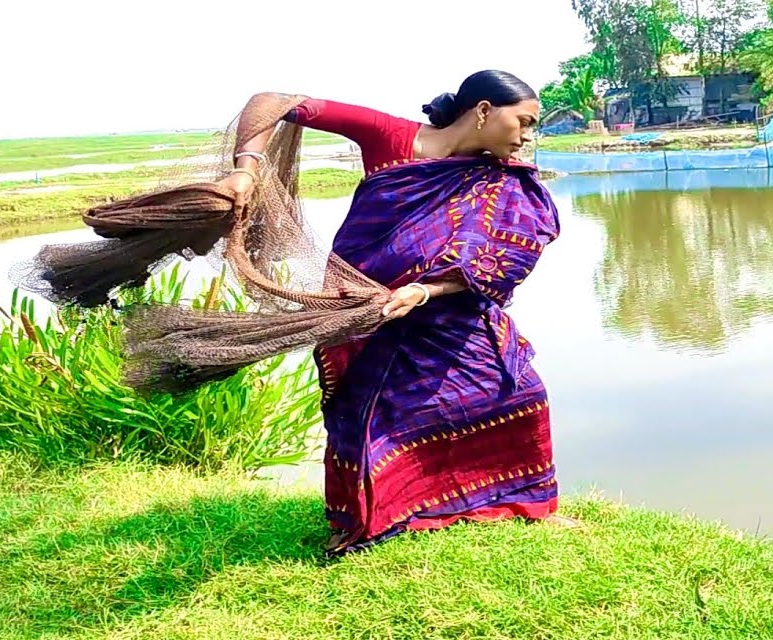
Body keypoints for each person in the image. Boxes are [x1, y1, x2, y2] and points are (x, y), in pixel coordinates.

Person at [224, 70, 563, 555]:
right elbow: (271, 100)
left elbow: (507, 258)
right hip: (370, 310)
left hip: (449, 311)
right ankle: (367, 515)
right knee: (368, 413)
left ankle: (521, 506)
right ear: (484, 111)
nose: (528, 136)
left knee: (517, 396)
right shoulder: (390, 136)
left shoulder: (499, 178)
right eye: (524, 122)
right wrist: (246, 169)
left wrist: (425, 291)